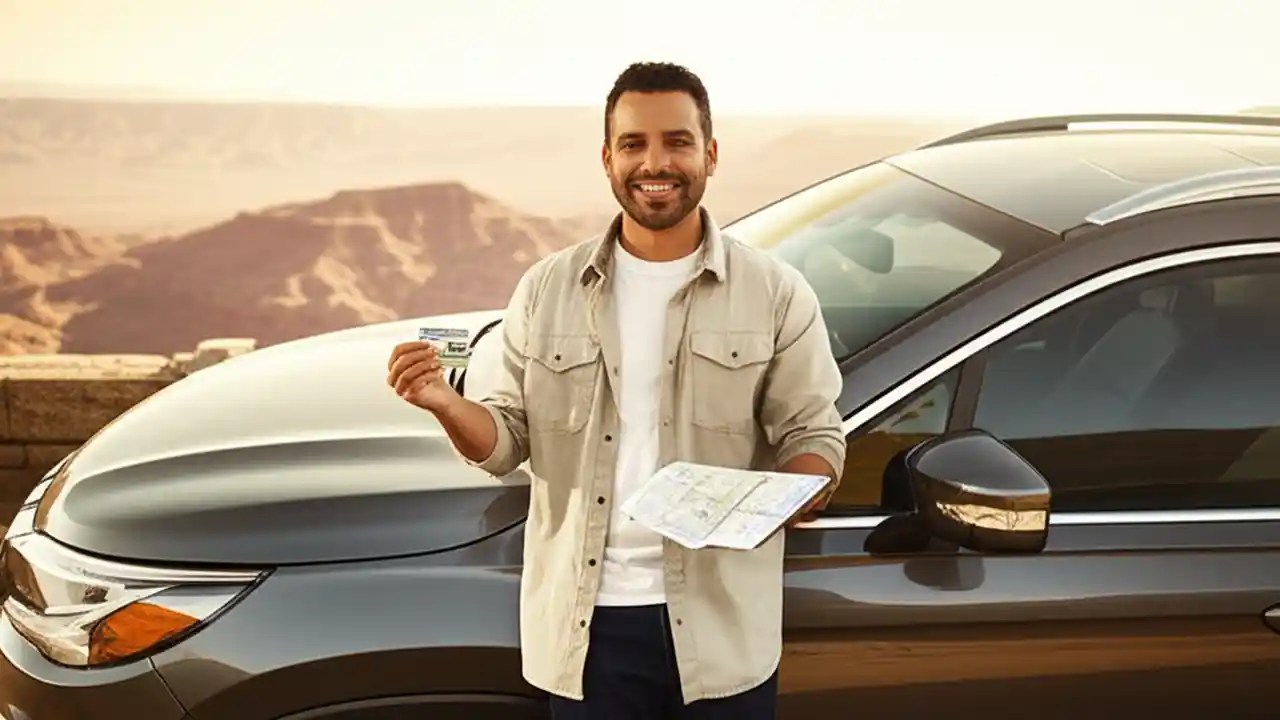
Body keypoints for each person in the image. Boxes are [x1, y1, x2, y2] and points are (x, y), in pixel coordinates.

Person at [386, 61, 846, 719]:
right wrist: (446, 404)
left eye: (677, 142)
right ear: (607, 159)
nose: (654, 162)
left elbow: (814, 434)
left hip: (722, 639)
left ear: (710, 155)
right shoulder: (547, 289)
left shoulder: (774, 293)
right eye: (633, 144)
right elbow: (506, 440)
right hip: (587, 639)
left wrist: (793, 494)